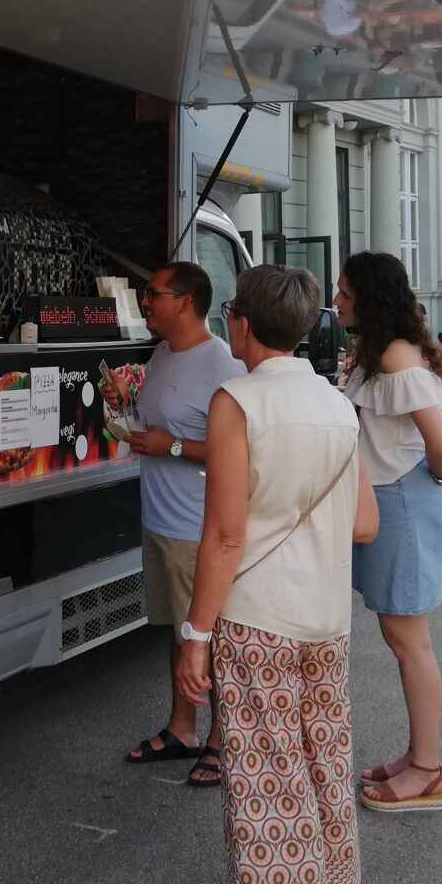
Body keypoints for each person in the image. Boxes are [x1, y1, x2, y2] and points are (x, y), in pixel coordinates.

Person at [176, 265, 378, 884]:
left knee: (270, 775)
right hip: (326, 619)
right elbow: (363, 523)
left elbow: (226, 535)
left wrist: (195, 632)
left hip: (259, 615)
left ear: (240, 323)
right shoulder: (336, 403)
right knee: (321, 759)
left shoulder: (238, 400)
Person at [336, 252, 442, 813]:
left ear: (367, 296)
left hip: (404, 502)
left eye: (344, 292)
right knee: (403, 638)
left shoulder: (393, 355)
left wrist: (440, 476)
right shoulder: (384, 349)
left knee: (409, 641)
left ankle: (428, 771)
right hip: (396, 499)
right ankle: (418, 758)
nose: (336, 301)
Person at [109, 262, 245, 786]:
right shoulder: (161, 355)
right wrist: (128, 408)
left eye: (154, 295)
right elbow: (158, 425)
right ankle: (182, 728)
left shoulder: (223, 365)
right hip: (160, 520)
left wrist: (172, 445)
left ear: (185, 301)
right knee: (178, 632)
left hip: (198, 526)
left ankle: (220, 738)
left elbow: (241, 453)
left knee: (209, 635)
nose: (146, 303)